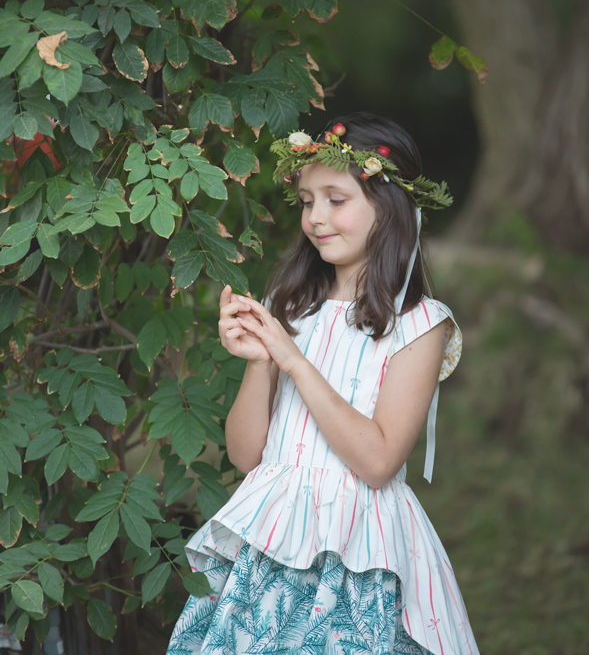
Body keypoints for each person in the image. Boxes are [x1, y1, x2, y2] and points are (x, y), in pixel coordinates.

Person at [166, 113, 479, 655]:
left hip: (359, 550)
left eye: (336, 199)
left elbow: (379, 463)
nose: (316, 217)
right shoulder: (289, 307)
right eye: (308, 201)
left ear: (389, 207)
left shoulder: (420, 324)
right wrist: (262, 361)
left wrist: (292, 361)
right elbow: (245, 456)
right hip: (271, 538)